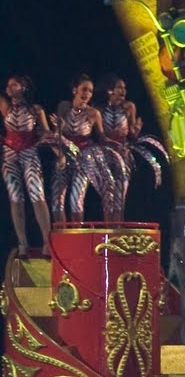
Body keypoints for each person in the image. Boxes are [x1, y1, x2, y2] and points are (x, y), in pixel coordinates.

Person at [50, 73, 120, 225]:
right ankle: (61, 234)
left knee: (76, 198)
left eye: (90, 91)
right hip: (64, 155)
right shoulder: (64, 106)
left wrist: (116, 145)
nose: (87, 94)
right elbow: (58, 134)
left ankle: (76, 233)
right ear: (75, 90)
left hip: (83, 159)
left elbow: (101, 137)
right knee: (57, 197)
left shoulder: (94, 113)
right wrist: (59, 132)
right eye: (84, 89)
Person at [98, 73, 169, 219]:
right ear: (109, 90)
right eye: (119, 88)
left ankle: (118, 225)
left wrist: (135, 130)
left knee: (121, 191)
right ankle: (108, 225)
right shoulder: (98, 109)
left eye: (125, 88)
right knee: (107, 192)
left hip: (123, 153)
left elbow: (131, 134)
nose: (123, 91)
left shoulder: (129, 107)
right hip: (104, 153)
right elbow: (97, 134)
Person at [2, 73, 53, 257]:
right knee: (16, 198)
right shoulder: (4, 105)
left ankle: (48, 242)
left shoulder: (36, 110)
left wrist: (52, 133)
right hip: (9, 154)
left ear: (23, 87)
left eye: (13, 84)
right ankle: (22, 243)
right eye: (8, 85)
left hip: (29, 153)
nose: (9, 88)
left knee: (37, 195)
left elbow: (46, 132)